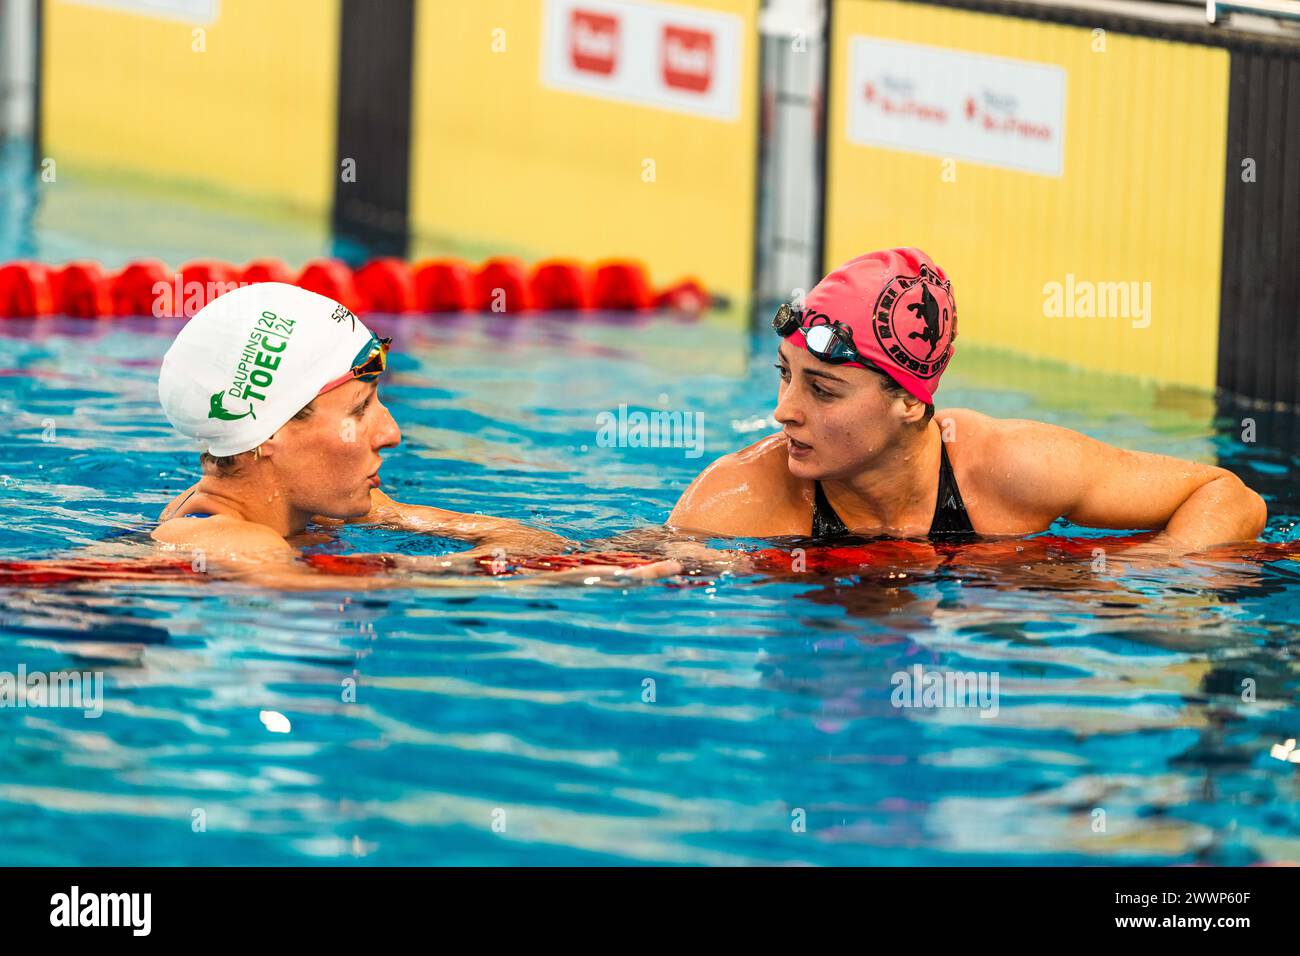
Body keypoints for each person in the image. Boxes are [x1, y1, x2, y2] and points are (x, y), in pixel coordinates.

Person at [669, 248, 1267, 553]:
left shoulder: (1009, 467)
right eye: (785, 374)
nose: (784, 410)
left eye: (822, 388)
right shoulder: (742, 497)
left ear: (908, 400)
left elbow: (1228, 496)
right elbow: (645, 568)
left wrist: (1155, 571)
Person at [151, 282, 605, 588]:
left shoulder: (316, 511)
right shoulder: (221, 541)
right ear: (270, 435)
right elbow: (349, 592)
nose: (391, 433)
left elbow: (530, 540)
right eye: (360, 409)